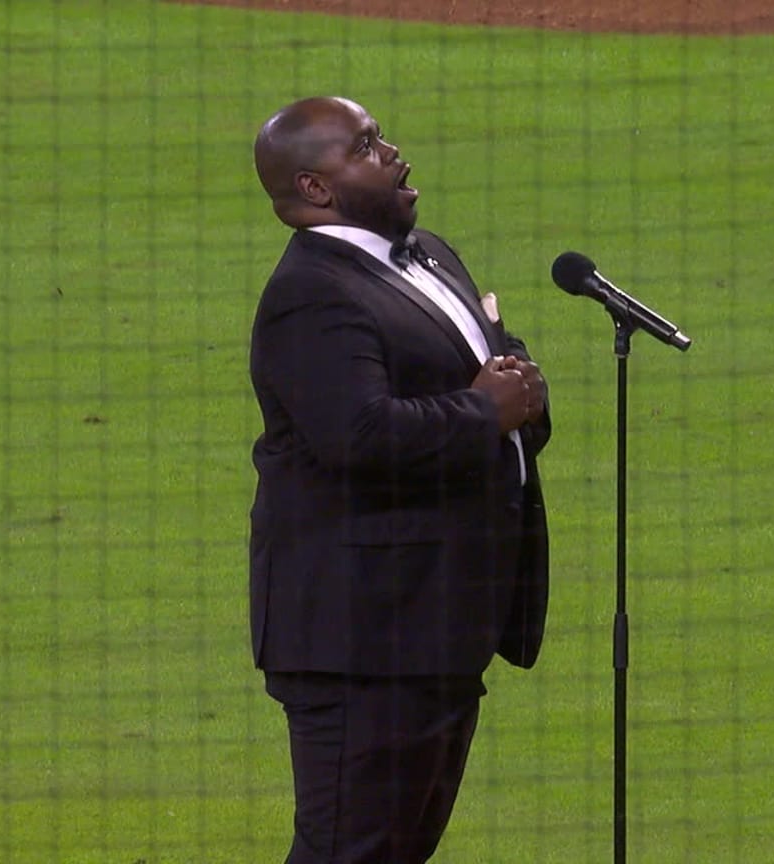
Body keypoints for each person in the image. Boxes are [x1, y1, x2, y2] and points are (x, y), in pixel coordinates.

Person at [246, 96, 553, 863]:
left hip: (438, 625)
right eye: (368, 146)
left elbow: (504, 381)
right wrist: (487, 413)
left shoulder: (431, 256)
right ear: (316, 188)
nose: (395, 154)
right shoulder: (310, 295)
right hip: (362, 641)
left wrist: (517, 401)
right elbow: (360, 436)